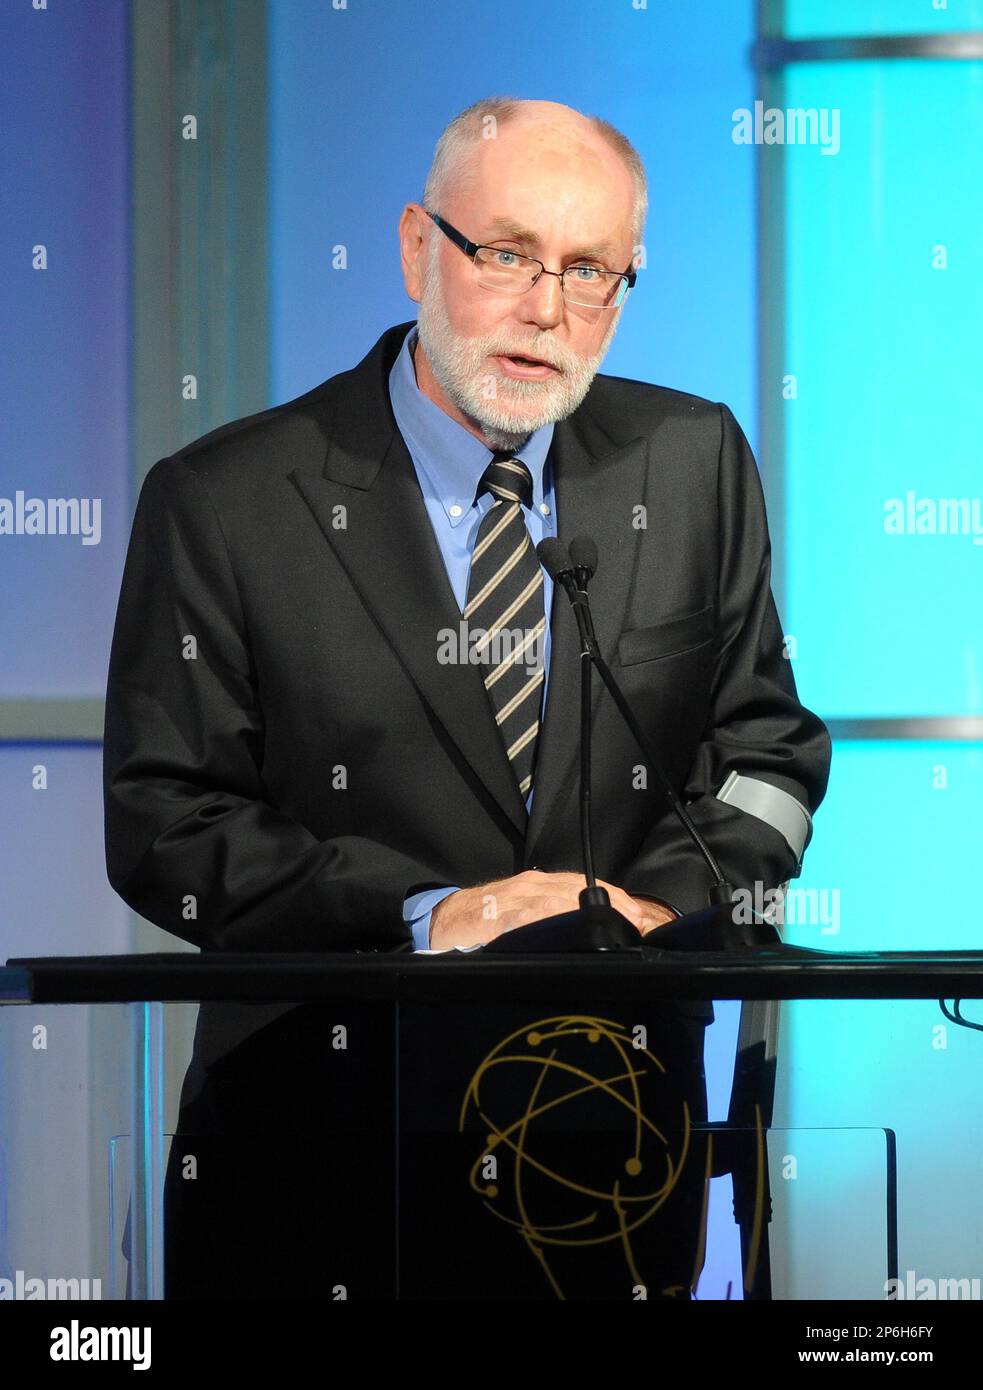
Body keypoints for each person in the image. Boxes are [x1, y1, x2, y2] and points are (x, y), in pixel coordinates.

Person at [104, 97, 831, 1299]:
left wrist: (636, 909)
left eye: (590, 270)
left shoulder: (690, 464)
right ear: (412, 247)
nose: (545, 310)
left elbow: (769, 756)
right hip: (316, 1163)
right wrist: (433, 914)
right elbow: (163, 822)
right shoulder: (226, 500)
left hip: (603, 1157)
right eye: (504, 253)